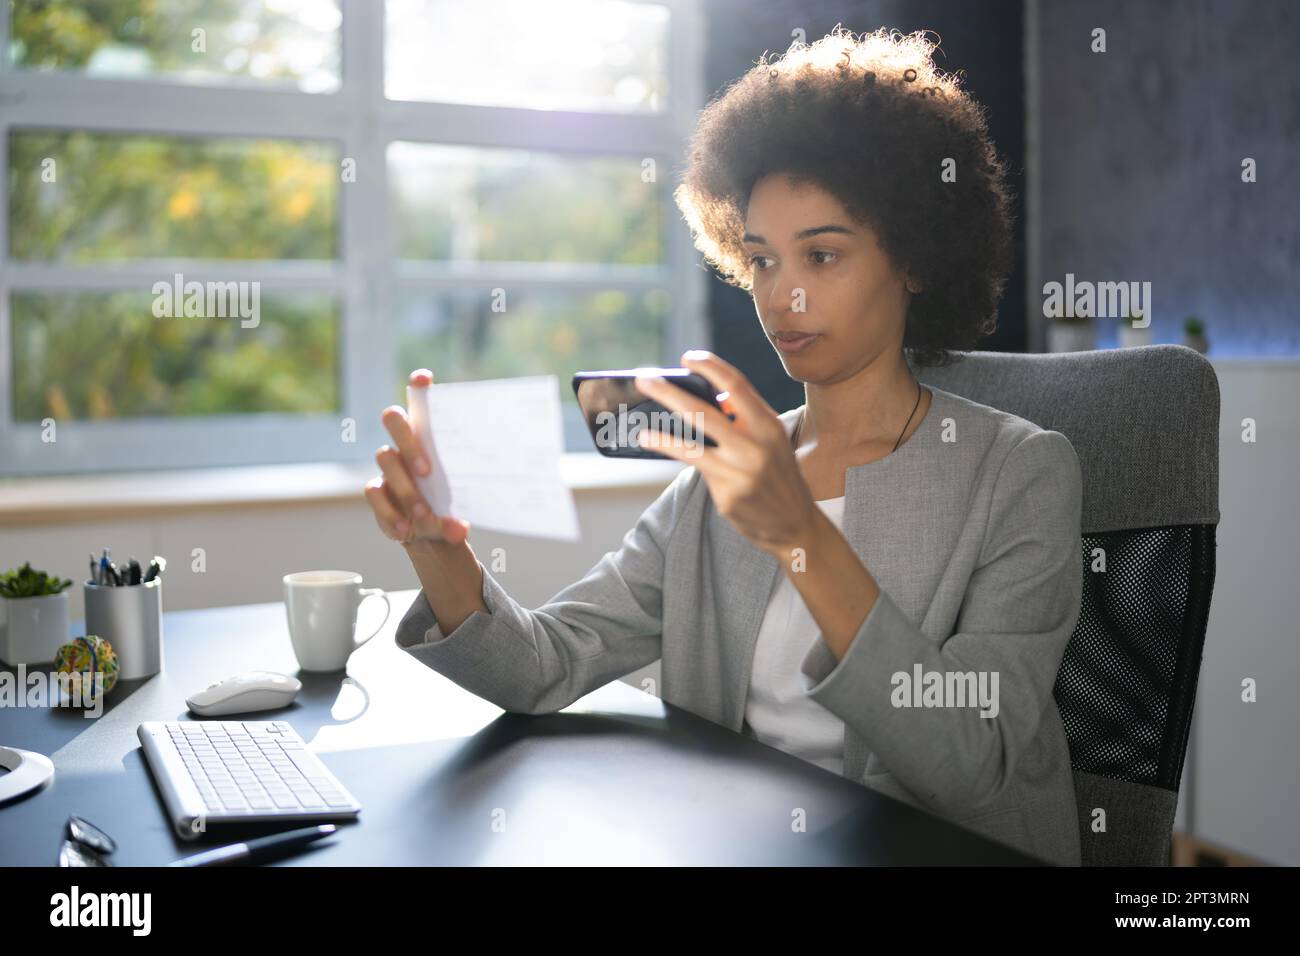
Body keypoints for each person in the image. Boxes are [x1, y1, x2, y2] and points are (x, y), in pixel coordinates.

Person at [364, 27, 1084, 866]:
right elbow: (544, 667)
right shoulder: (721, 474)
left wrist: (803, 537)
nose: (785, 295)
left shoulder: (1021, 474)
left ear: (915, 259)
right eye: (761, 260)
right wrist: (435, 546)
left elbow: (971, 764)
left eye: (822, 254)